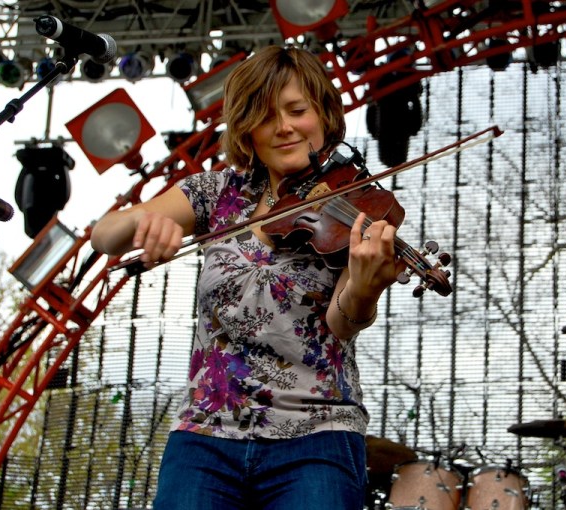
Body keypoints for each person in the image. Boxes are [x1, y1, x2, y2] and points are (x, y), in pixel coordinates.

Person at [91, 45, 405, 509]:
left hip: (316, 435)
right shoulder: (217, 193)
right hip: (205, 436)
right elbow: (104, 235)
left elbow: (343, 324)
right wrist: (143, 222)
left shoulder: (354, 207)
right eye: (265, 116)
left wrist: (364, 286)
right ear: (246, 129)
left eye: (297, 111)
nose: (284, 127)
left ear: (323, 115)